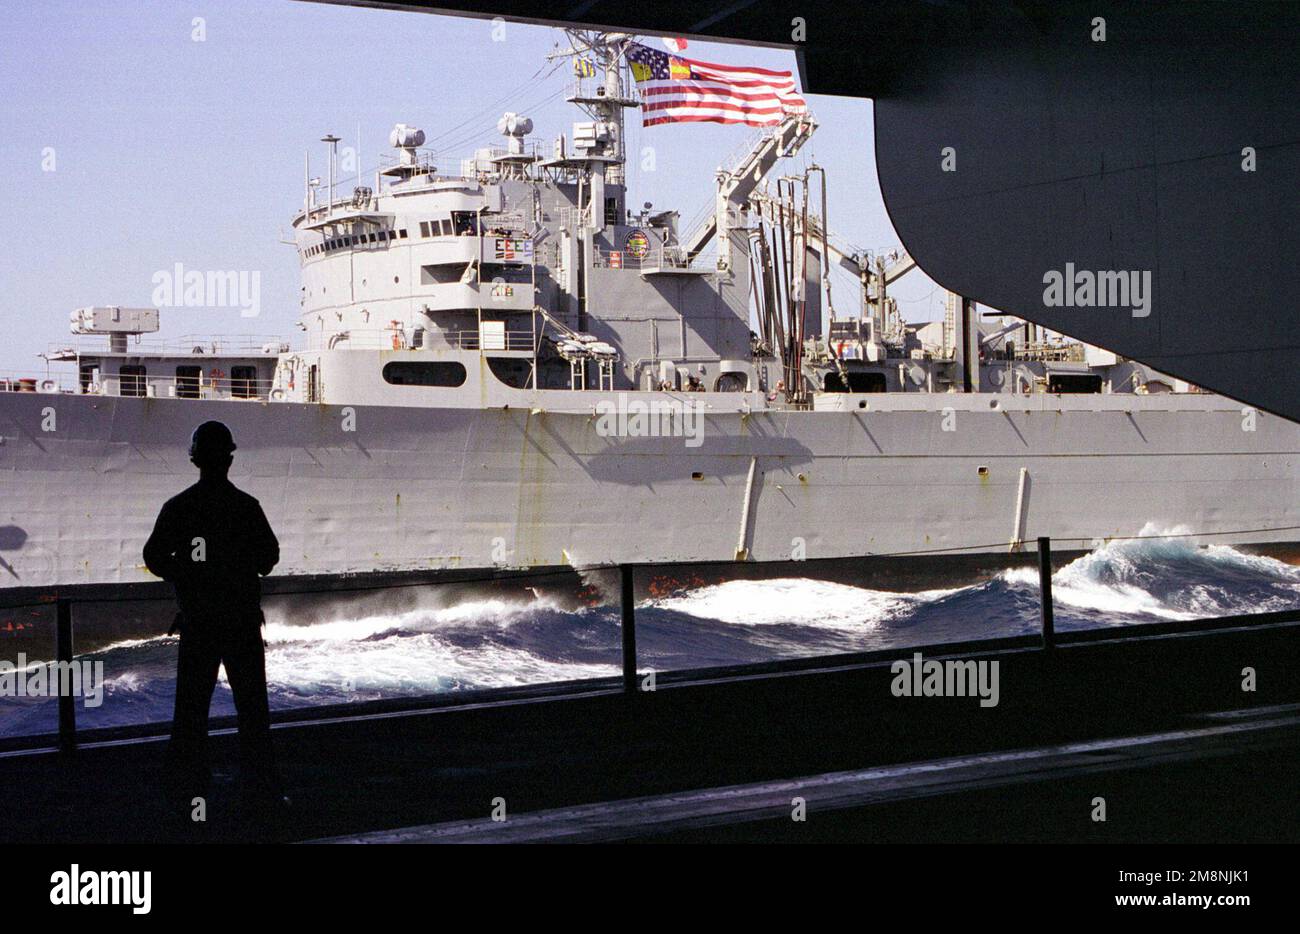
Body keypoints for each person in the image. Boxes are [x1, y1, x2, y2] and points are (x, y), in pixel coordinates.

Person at [143, 420, 285, 820]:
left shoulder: (179, 507)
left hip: (199, 623)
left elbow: (154, 556)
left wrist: (187, 573)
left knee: (190, 712)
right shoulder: (246, 507)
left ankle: (186, 792)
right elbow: (268, 559)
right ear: (229, 459)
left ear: (195, 460)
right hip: (241, 623)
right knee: (253, 711)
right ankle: (261, 792)